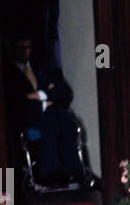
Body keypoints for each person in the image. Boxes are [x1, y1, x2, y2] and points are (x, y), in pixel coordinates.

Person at [5, 35, 83, 187]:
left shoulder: (42, 68)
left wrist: (40, 95)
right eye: (20, 48)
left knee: (64, 119)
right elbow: (15, 100)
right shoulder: (8, 73)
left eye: (27, 48)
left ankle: (69, 173)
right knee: (57, 117)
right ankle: (57, 173)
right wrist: (45, 98)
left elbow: (64, 92)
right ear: (13, 50)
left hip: (50, 114)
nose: (24, 52)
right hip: (28, 117)